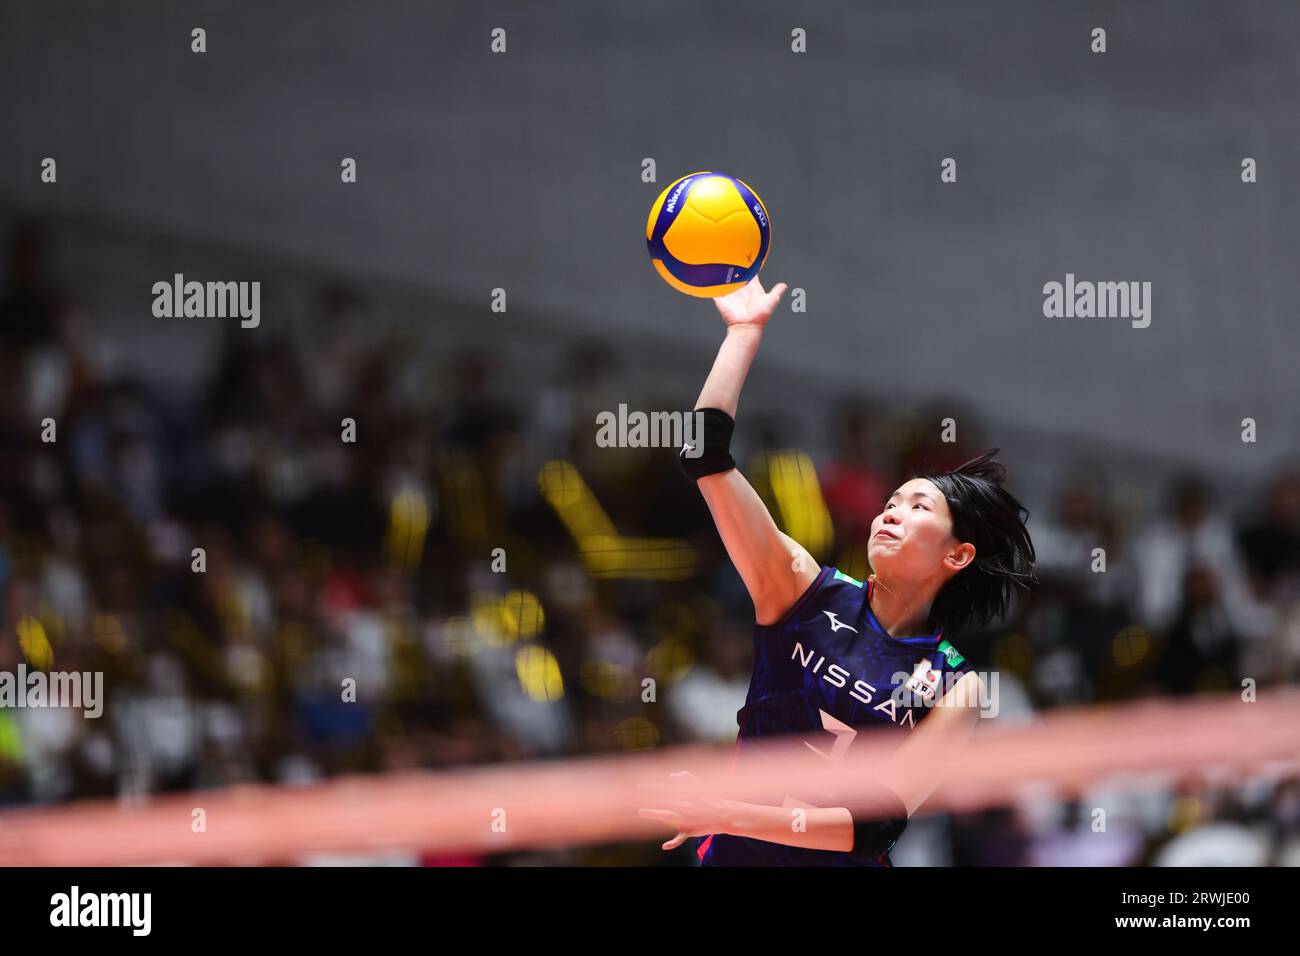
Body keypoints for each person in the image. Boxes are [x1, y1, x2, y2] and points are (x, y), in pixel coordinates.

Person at [640, 278, 1037, 865]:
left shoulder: (956, 687)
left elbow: (875, 828)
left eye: (918, 507)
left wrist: (728, 811)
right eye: (891, 501)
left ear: (958, 554)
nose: (891, 513)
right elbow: (703, 454)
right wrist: (743, 335)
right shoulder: (801, 588)